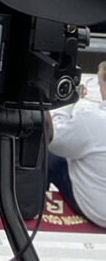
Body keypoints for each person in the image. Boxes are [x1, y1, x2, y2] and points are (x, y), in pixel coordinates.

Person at [45, 60, 106, 226]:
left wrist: (69, 101)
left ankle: (31, 199)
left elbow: (52, 135)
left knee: (49, 154)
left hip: (99, 213)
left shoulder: (90, 120)